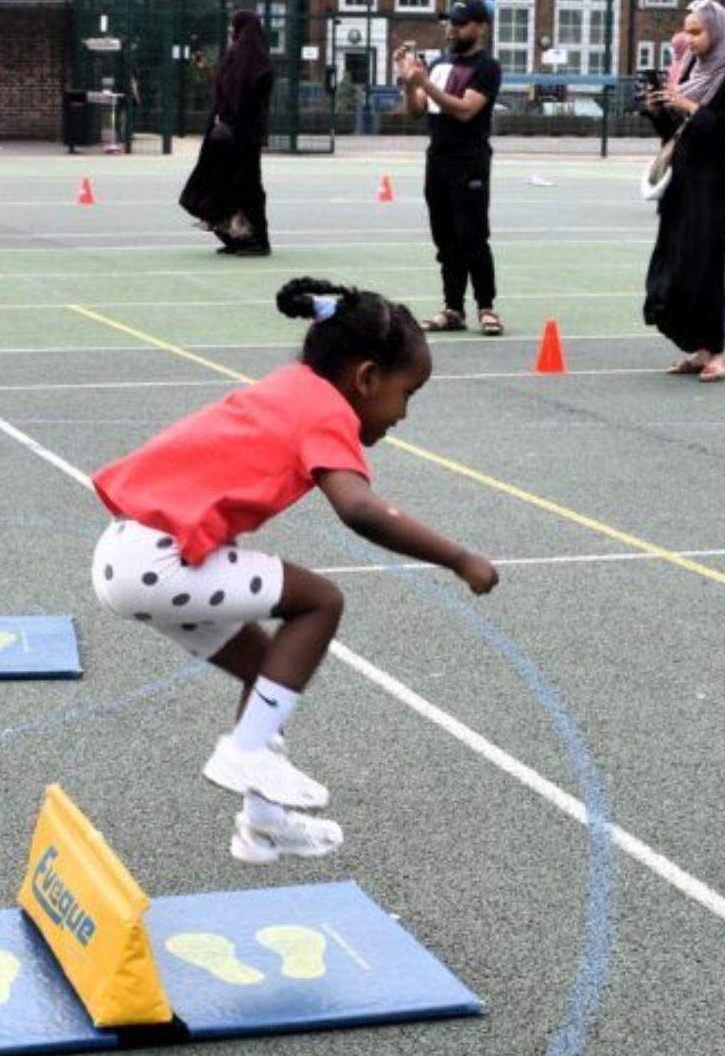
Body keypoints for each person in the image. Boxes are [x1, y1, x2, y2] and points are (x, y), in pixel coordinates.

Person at [90, 277, 498, 862]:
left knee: (270, 679)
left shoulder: (292, 387)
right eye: (407, 393)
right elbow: (359, 510)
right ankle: (246, 751)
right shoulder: (326, 410)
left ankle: (263, 825)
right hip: (156, 561)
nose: (404, 414)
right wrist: (458, 558)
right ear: (365, 378)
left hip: (129, 554)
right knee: (321, 602)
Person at [642, 0, 725, 384]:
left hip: (719, 185)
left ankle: (716, 353)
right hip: (686, 178)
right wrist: (660, 109)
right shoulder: (694, 71)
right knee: (673, 261)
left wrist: (689, 106)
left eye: (696, 31)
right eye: (686, 31)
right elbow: (676, 135)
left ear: (718, 32)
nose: (687, 39)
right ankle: (699, 348)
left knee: (706, 264)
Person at [397, 0, 504, 337]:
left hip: (468, 160)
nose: (451, 28)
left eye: (460, 23)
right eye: (449, 22)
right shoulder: (442, 63)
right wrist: (409, 81)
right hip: (438, 160)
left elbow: (464, 110)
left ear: (480, 27)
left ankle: (486, 307)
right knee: (445, 239)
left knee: (472, 236)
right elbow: (416, 111)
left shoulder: (487, 67)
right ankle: (453, 308)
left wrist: (424, 82)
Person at [178, 9, 275, 256]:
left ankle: (255, 241)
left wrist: (215, 76)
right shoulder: (260, 61)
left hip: (233, 134)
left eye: (234, 27)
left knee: (236, 185)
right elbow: (234, 90)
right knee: (240, 185)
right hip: (244, 135)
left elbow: (231, 93)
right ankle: (242, 238)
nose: (231, 32)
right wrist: (212, 72)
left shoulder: (238, 56)